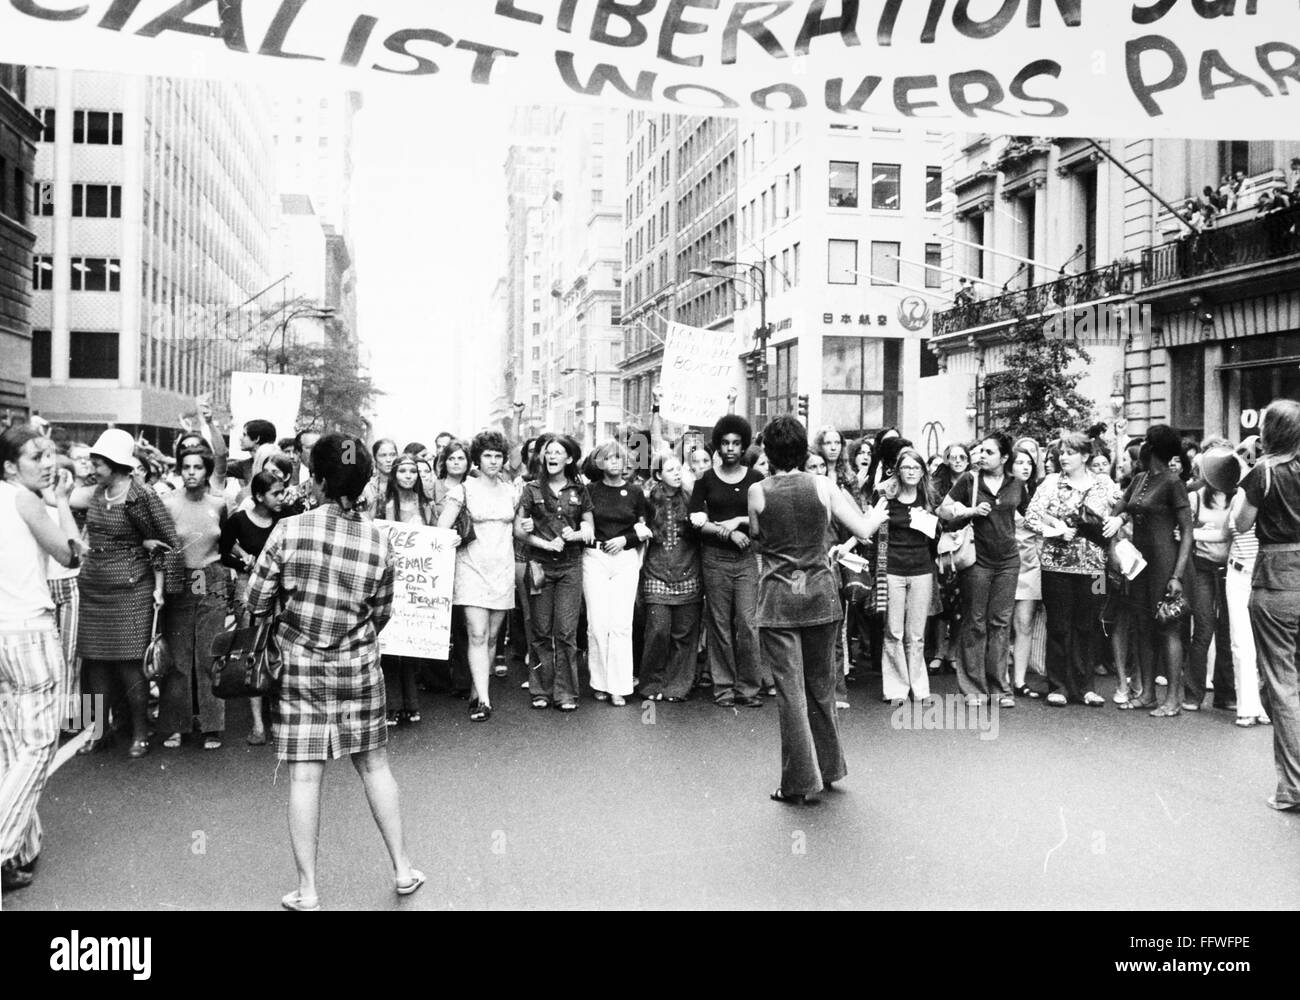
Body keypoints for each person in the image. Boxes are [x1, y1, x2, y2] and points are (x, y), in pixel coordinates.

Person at [246, 433, 422, 909]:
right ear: (366, 480)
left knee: (305, 776)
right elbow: (381, 612)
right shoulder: (378, 541)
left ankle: (307, 889)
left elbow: (257, 600)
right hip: (359, 663)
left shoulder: (290, 529)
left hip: (300, 664)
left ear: (318, 480)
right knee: (375, 764)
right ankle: (403, 868)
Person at [748, 415, 885, 805]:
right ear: (803, 448)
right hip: (819, 593)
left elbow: (758, 536)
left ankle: (799, 782)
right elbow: (861, 530)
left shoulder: (758, 491)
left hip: (778, 596)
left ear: (769, 452)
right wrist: (877, 512)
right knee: (821, 687)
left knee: (790, 692)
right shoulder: (824, 485)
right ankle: (830, 768)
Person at [1, 425, 81, 892]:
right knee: (36, 748)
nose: (49, 463)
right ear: (11, 466)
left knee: (12, 746)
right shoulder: (24, 500)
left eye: (50, 453)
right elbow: (71, 555)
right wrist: (64, 504)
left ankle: (22, 851)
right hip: (30, 633)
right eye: (37, 456)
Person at [70, 429, 183, 758]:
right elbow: (57, 498)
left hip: (133, 588)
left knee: (130, 666)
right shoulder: (93, 492)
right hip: (94, 586)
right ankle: (97, 731)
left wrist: (161, 590)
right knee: (94, 665)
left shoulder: (141, 495)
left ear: (116, 463)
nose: (93, 466)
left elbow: (165, 543)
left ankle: (140, 731)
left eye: (98, 461)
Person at [1233, 399, 1300, 811]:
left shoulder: (1264, 472)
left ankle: (1292, 787)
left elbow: (1239, 523)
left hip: (1277, 578)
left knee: (1281, 684)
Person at [1103, 425, 1194, 717]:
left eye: (1144, 444)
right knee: (1142, 625)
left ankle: (1173, 699)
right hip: (1139, 564)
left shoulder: (1172, 482)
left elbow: (1188, 532)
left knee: (1168, 628)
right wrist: (1118, 520)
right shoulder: (1140, 479)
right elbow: (1119, 506)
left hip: (1165, 562)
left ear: (1151, 449)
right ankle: (1147, 694)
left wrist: (1177, 575)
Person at [1026, 432, 1116, 708]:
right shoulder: (1052, 483)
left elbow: (1120, 509)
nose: (1063, 457)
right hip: (1057, 565)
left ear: (1085, 456)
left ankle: (1085, 687)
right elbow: (1031, 517)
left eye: (1070, 452)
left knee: (1089, 624)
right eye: (1061, 453)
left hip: (1094, 568)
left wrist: (1117, 519)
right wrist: (1054, 530)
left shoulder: (1103, 484)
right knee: (1059, 624)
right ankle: (1058, 686)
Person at [938, 432, 1025, 707]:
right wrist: (969, 512)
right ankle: (974, 689)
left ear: (1004, 457)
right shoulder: (970, 480)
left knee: (1000, 623)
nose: (981, 457)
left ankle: (1000, 689)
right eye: (981, 452)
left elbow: (1028, 515)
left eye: (988, 452)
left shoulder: (1017, 483)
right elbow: (943, 510)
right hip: (977, 559)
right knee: (975, 621)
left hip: (1009, 560)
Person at [437, 430, 517, 721]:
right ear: (478, 459)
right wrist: (452, 538)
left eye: (498, 456)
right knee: (477, 633)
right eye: (487, 456)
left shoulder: (511, 490)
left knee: (492, 636)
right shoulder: (463, 490)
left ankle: (477, 689)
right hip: (471, 567)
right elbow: (441, 527)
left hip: (502, 569)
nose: (493, 461)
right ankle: (483, 700)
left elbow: (519, 529)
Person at [689, 415, 765, 709]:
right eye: (725, 443)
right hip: (715, 558)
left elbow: (765, 516)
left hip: (747, 559)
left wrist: (737, 521)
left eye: (736, 443)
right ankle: (723, 688)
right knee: (719, 623)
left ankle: (748, 688)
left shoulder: (756, 479)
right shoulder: (705, 479)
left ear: (744, 445)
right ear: (718, 446)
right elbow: (695, 520)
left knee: (747, 623)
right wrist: (728, 534)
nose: (730, 448)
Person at [159, 446, 229, 751]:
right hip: (179, 578)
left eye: (197, 467)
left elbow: (224, 542)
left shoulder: (219, 504)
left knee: (208, 654)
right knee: (178, 656)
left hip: (210, 577)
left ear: (206, 471)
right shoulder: (167, 503)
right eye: (185, 466)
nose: (191, 472)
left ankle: (212, 726)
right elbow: (161, 547)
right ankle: (176, 726)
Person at [515, 434, 592, 711]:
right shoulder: (531, 489)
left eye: (558, 452)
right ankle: (541, 689)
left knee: (566, 631)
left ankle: (566, 692)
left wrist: (576, 534)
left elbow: (590, 529)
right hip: (539, 566)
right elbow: (519, 532)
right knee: (540, 630)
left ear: (569, 458)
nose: (552, 456)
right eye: (548, 452)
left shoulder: (579, 490)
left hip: (570, 566)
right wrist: (544, 542)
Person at [864, 446, 939, 704]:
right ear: (897, 470)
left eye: (916, 467)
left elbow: (938, 534)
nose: (911, 472)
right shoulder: (885, 496)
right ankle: (896, 688)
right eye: (906, 467)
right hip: (892, 568)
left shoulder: (928, 498)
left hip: (921, 569)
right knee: (893, 631)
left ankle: (918, 687)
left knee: (917, 633)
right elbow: (870, 528)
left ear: (922, 472)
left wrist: (931, 522)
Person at [583, 441, 652, 707]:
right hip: (595, 557)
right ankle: (599, 682)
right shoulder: (590, 491)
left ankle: (620, 686)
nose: (614, 462)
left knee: (621, 624)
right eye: (608, 458)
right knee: (597, 623)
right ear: (599, 462)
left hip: (624, 558)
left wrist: (626, 540)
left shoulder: (635, 492)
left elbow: (644, 529)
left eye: (618, 458)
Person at [220, 469, 285, 745]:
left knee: (279, 652)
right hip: (248, 588)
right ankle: (258, 724)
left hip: (280, 589)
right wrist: (242, 563)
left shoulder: (284, 521)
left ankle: (278, 717)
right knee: (253, 654)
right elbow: (223, 552)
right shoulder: (238, 520)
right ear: (259, 496)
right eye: (275, 493)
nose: (281, 498)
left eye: (282, 492)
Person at [638, 453, 703, 703]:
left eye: (679, 469)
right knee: (658, 631)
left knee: (684, 634)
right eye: (670, 469)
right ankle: (651, 683)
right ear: (658, 475)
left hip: (688, 571)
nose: (677, 473)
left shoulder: (692, 499)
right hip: (656, 573)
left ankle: (677, 685)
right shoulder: (647, 501)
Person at [379, 455, 434, 726]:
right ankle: (392, 704)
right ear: (394, 474)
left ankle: (411, 703)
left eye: (413, 471)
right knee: (390, 644)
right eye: (403, 471)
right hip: (393, 580)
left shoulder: (426, 505)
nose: (409, 476)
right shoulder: (388, 504)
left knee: (411, 644)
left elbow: (437, 536)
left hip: (419, 582)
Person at [1182, 447, 1235, 712]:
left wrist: (1200, 534)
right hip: (1202, 568)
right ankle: (1193, 694)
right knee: (1203, 628)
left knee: (1227, 631)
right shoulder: (1196, 498)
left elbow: (1228, 535)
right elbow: (1182, 532)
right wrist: (1204, 534)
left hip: (1229, 570)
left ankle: (1226, 694)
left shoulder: (1238, 498)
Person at [1222, 443, 1270, 728]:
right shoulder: (1238, 494)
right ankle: (1248, 706)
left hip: (1261, 571)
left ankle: (1263, 705)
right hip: (1238, 572)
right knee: (1241, 642)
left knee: (1264, 642)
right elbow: (1226, 534)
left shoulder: (1264, 487)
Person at [1010, 444, 1043, 700]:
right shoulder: (1000, 491)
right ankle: (997, 678)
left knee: (1024, 624)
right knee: (998, 625)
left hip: (1031, 564)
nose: (1025, 466)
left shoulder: (1038, 492)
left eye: (1029, 463)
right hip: (1004, 563)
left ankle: (1019, 680)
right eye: (1019, 461)